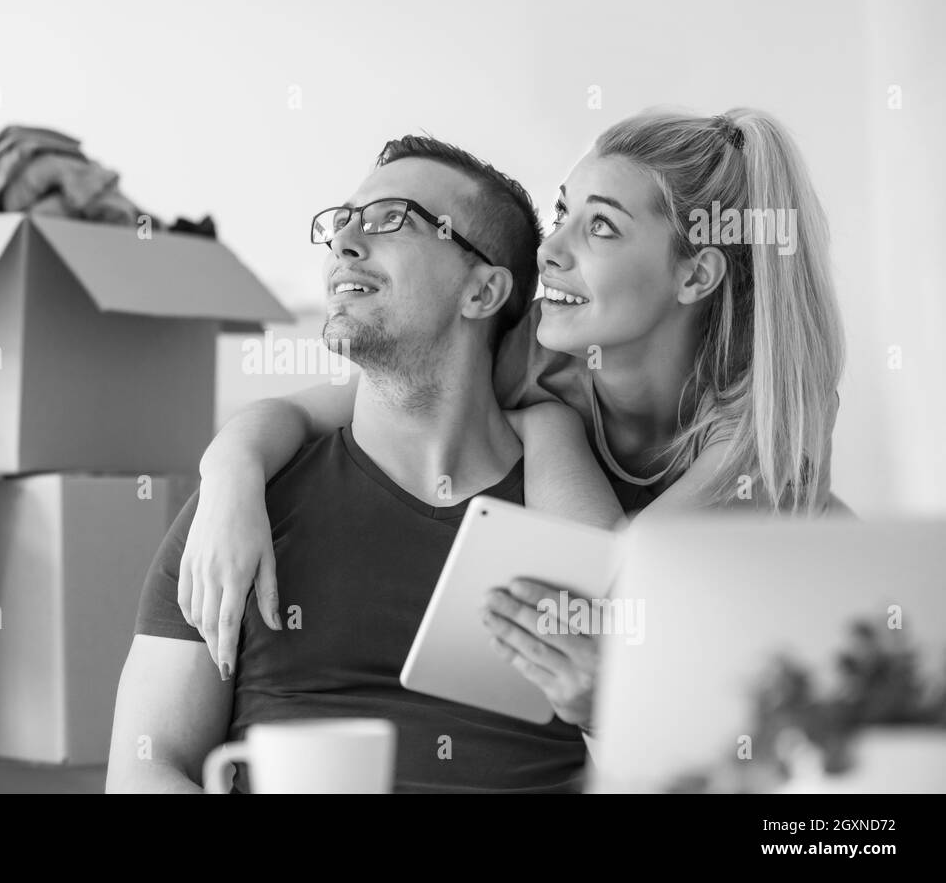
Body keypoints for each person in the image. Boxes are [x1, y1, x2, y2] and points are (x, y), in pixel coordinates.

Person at [179, 108, 846, 719]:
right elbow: (314, 410)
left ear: (696, 276)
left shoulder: (754, 433)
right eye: (563, 212)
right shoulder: (531, 347)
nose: (550, 249)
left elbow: (613, 576)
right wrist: (231, 476)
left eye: (602, 227)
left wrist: (548, 429)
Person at [106, 136, 599, 793]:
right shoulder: (243, 504)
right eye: (342, 222)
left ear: (482, 291)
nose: (344, 242)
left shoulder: (566, 509)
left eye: (391, 218)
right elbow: (146, 764)